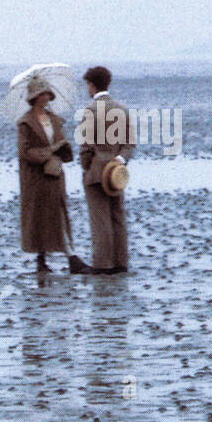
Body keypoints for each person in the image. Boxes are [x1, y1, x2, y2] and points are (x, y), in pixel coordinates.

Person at [16, 77, 93, 274]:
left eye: (47, 94)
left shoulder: (54, 119)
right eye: (42, 94)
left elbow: (64, 147)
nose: (46, 97)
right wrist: (48, 151)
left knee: (59, 213)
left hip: (54, 173)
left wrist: (61, 149)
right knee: (38, 216)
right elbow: (25, 152)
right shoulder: (25, 123)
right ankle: (42, 259)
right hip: (35, 178)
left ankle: (71, 257)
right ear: (34, 97)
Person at [78, 66, 135, 274]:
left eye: (87, 85)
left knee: (100, 219)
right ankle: (121, 263)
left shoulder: (91, 111)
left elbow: (86, 147)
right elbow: (130, 144)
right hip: (117, 173)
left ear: (92, 85)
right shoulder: (122, 109)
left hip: (96, 172)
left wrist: (87, 169)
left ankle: (103, 264)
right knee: (118, 217)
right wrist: (119, 161)